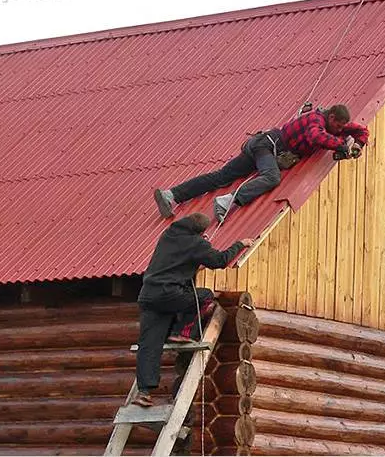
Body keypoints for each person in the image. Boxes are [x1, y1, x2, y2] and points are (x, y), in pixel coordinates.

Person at [153, 104, 369, 222]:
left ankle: (171, 195)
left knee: (221, 176)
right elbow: (316, 137)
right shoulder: (316, 120)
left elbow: (361, 130)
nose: (341, 130)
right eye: (338, 125)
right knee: (272, 177)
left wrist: (358, 143)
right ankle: (228, 201)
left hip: (261, 146)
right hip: (266, 145)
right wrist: (341, 146)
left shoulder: (334, 125)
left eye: (342, 127)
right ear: (331, 117)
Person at [133, 212, 254, 407]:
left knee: (149, 345)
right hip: (169, 294)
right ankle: (182, 332)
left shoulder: (168, 235)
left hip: (148, 296)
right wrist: (240, 244)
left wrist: (197, 241)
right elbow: (220, 260)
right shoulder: (197, 245)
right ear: (200, 231)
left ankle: (144, 392)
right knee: (205, 295)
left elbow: (181, 253)